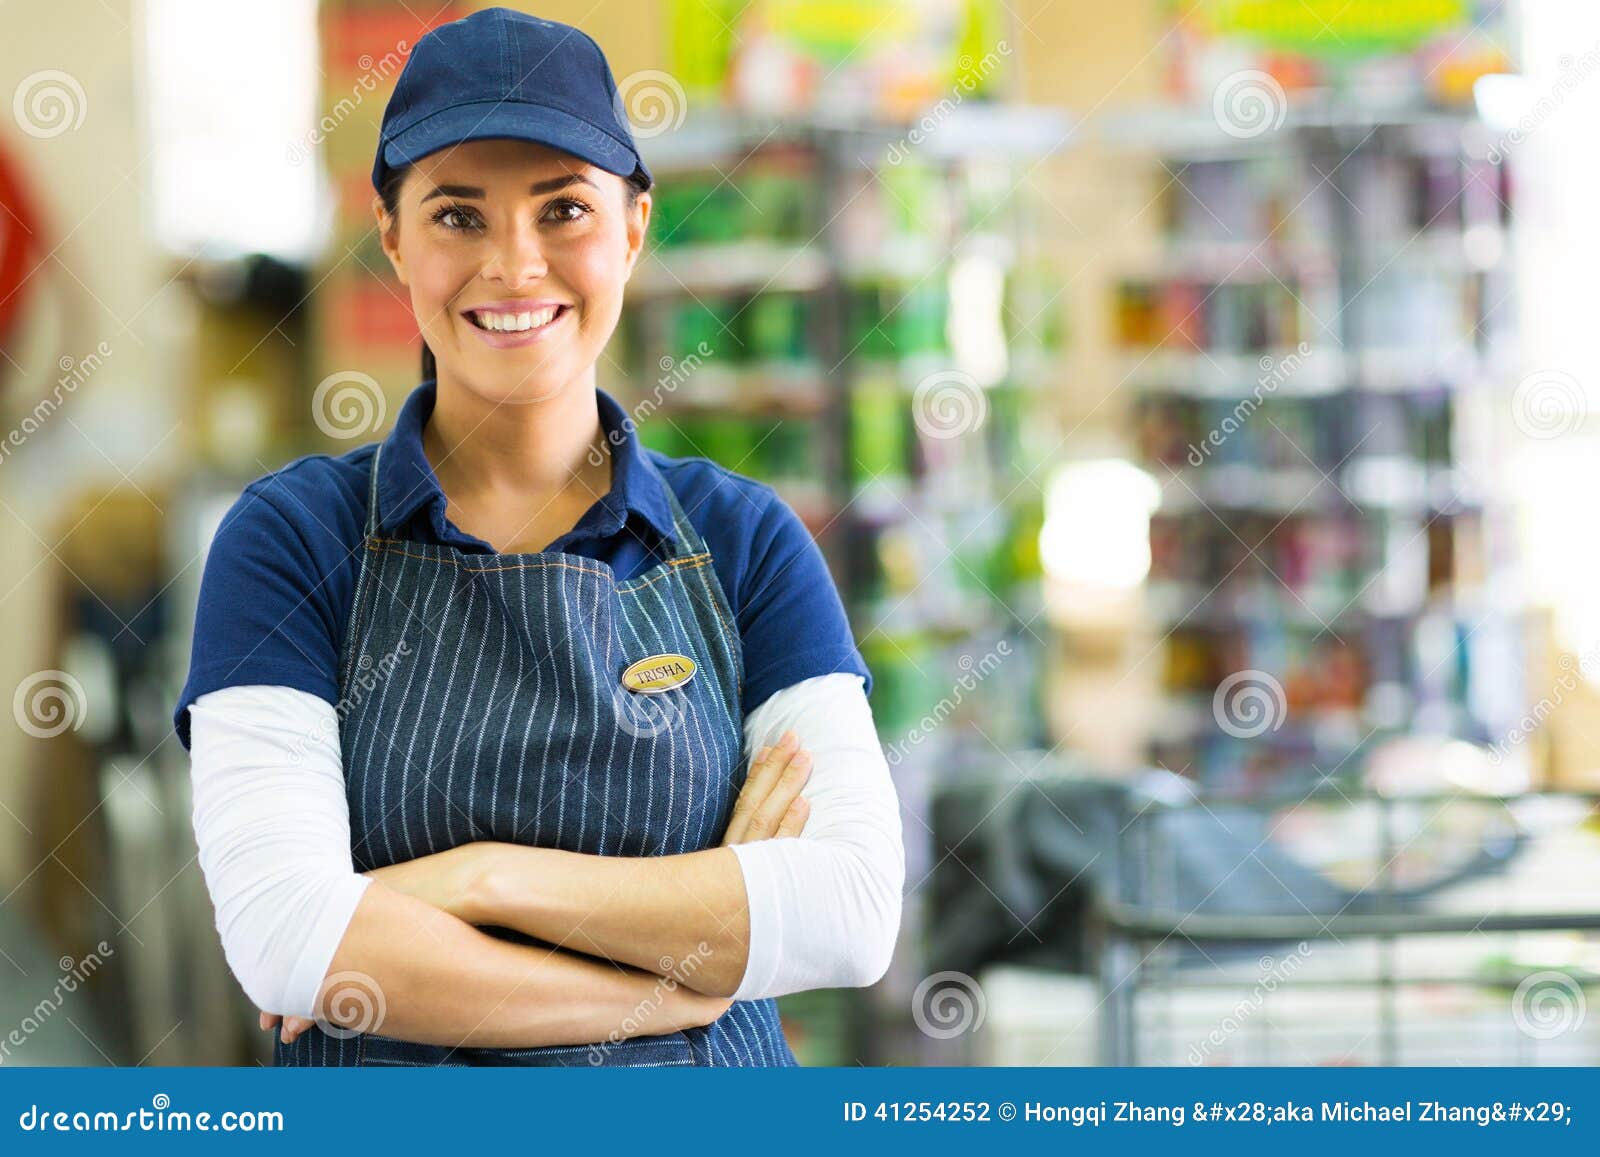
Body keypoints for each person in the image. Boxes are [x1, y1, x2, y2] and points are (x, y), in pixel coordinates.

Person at [173, 7, 903, 1067]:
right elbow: (291, 939)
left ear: (634, 225)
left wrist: (475, 877)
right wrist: (680, 978)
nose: (514, 265)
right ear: (393, 238)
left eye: (563, 208)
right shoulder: (291, 540)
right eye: (458, 217)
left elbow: (848, 908)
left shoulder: (743, 542)